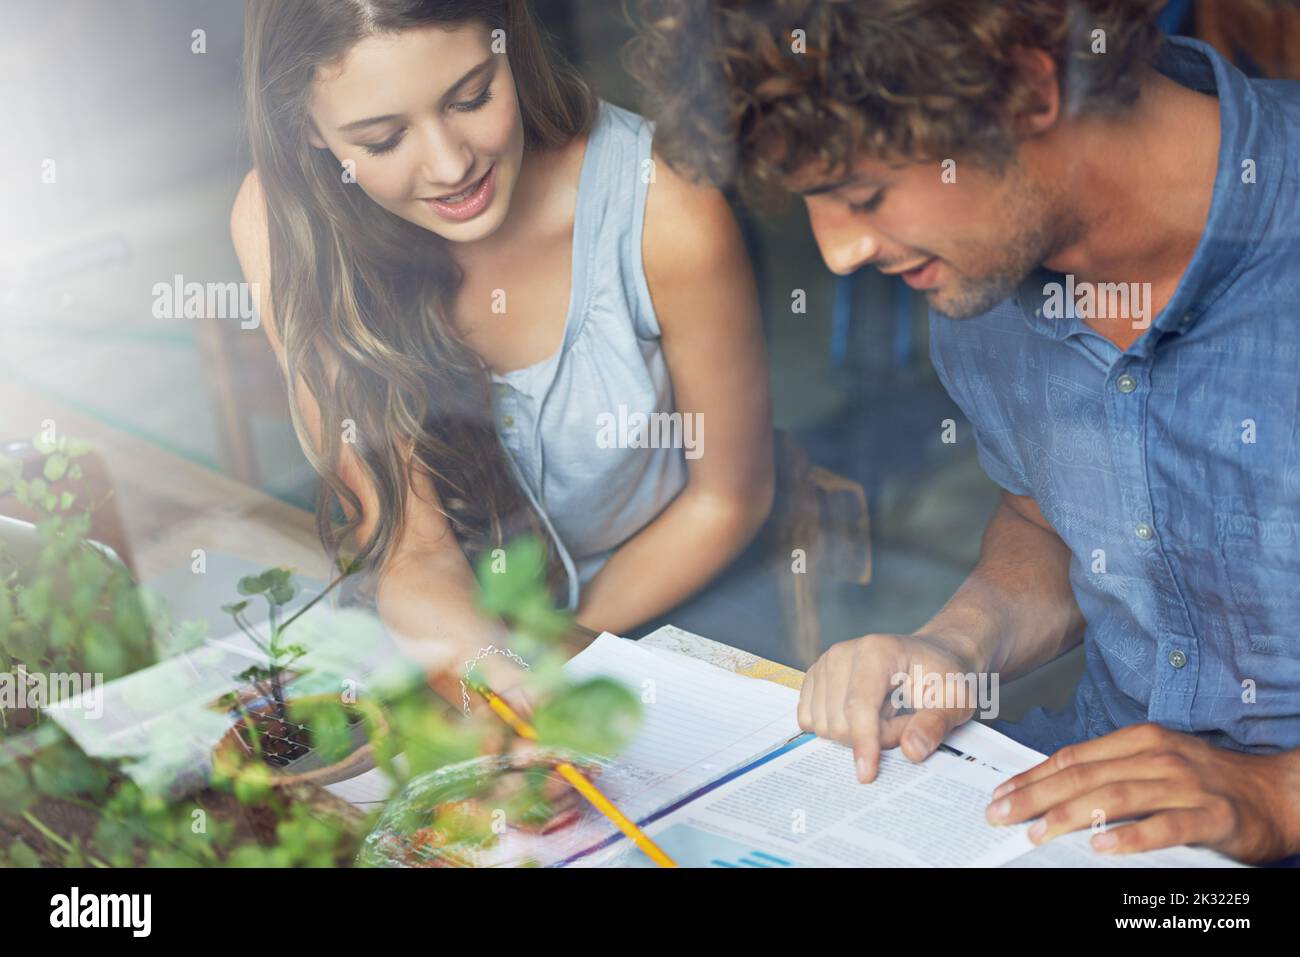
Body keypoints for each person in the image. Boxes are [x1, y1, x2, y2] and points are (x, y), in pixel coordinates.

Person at [629, 0, 1300, 863]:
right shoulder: (979, 278)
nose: (836, 254)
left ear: (1029, 83)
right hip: (1081, 804)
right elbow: (1047, 523)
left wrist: (1271, 792)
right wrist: (955, 642)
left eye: (864, 194)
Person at [229, 0, 774, 694]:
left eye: (471, 97)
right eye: (383, 140)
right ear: (306, 129)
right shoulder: (286, 225)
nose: (452, 164)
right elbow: (411, 548)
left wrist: (546, 660)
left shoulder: (668, 211)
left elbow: (726, 501)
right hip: (450, 631)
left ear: (508, 42)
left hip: (669, 610)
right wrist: (493, 669)